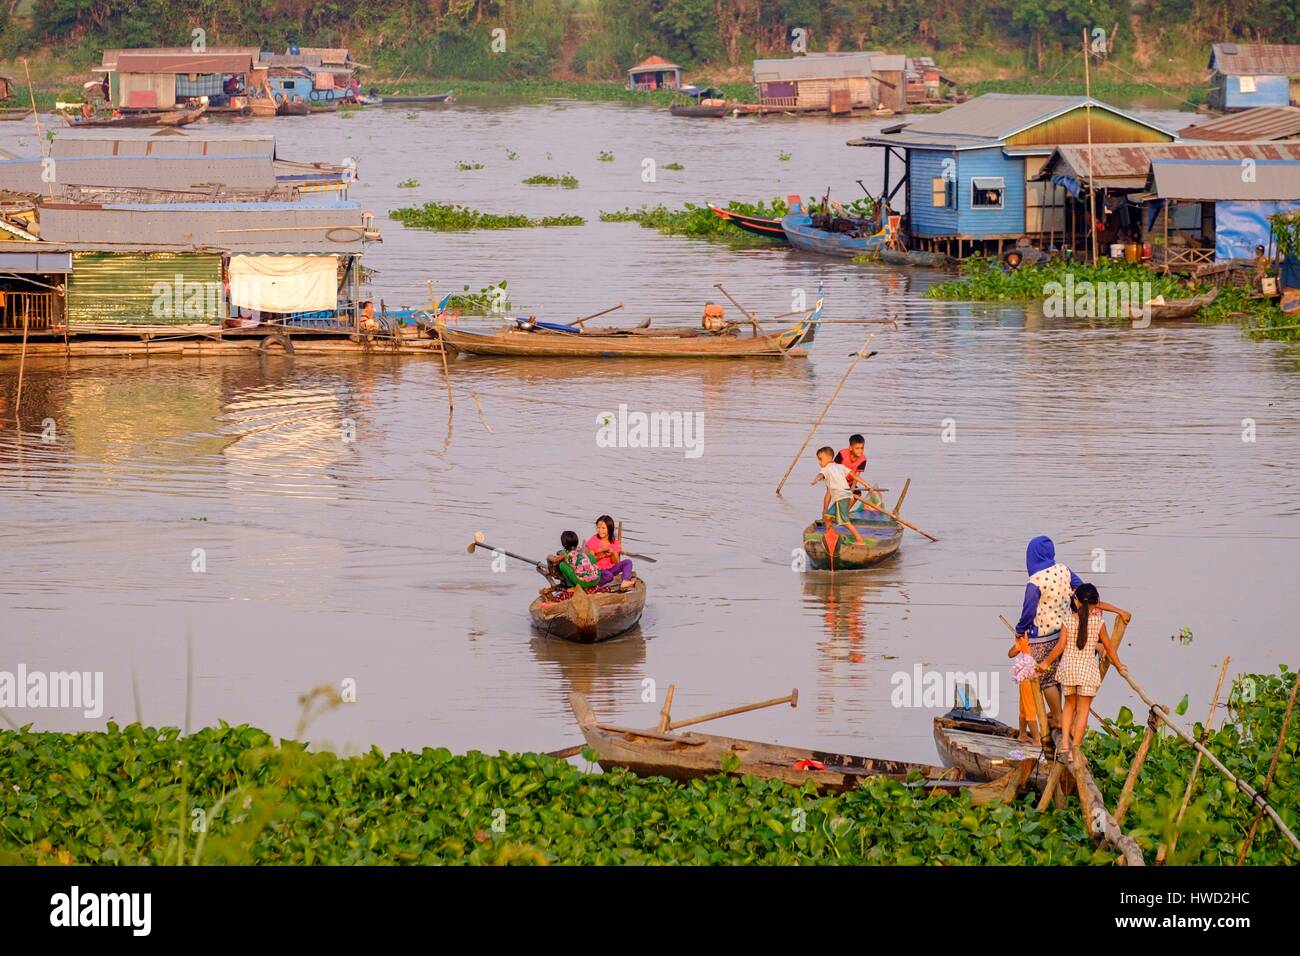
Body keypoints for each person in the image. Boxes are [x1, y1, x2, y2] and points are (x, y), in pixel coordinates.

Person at [1036, 583, 1128, 760]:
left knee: (1069, 706)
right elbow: (1108, 647)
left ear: (1076, 601)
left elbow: (1060, 647)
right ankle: (1074, 750)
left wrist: (1045, 663)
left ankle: (1064, 745)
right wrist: (1119, 665)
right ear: (1096, 603)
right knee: (1083, 710)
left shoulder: (1067, 620)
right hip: (1087, 669)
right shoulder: (1098, 623)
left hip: (1068, 669)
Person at [1013, 535, 1082, 730]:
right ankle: (1062, 715)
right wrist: (1073, 610)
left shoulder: (1035, 581)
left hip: (1043, 636)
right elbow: (1080, 589)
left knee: (1046, 679)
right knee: (1060, 674)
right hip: (1066, 632)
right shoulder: (1064, 570)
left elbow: (1029, 610)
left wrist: (1020, 630)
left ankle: (1058, 717)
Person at [811, 446, 871, 542]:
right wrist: (866, 484)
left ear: (830, 458)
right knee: (827, 517)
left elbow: (820, 475)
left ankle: (859, 539)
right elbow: (854, 475)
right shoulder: (841, 466)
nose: (819, 462)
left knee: (844, 522)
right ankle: (830, 535)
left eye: (820, 459)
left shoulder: (826, 468)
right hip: (846, 496)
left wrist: (815, 480)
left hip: (841, 497)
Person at [585, 515, 635, 590]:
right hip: (597, 570)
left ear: (609, 529)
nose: (600, 531)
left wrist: (612, 553)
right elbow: (590, 562)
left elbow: (616, 561)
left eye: (603, 528)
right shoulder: (593, 540)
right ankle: (594, 585)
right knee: (609, 576)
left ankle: (625, 581)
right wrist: (602, 553)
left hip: (611, 568)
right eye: (598, 528)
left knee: (628, 562)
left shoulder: (614, 542)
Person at [833, 434, 868, 504]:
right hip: (838, 480)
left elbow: (856, 476)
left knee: (857, 494)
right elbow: (834, 468)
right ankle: (826, 510)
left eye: (862, 448)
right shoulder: (842, 453)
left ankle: (846, 511)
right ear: (850, 448)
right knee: (840, 496)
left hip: (850, 481)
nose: (860, 451)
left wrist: (852, 490)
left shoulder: (863, 459)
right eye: (857, 448)